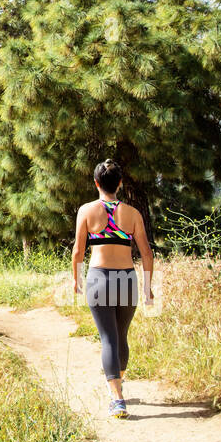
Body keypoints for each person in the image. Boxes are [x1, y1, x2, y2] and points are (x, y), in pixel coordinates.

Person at [71, 158, 154, 419]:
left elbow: (78, 250)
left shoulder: (86, 210)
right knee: (121, 336)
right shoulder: (132, 214)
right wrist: (149, 286)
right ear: (120, 183)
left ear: (96, 183)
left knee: (108, 339)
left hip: (98, 279)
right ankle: (119, 382)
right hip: (127, 279)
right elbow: (147, 253)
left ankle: (117, 398)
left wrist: (76, 278)